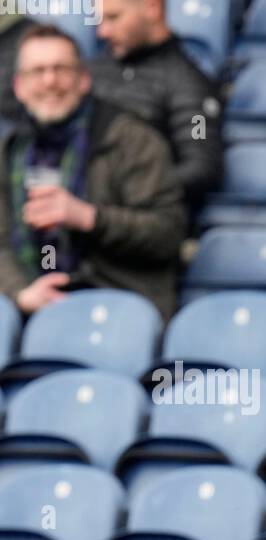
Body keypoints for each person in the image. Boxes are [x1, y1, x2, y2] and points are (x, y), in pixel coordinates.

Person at [0, 25, 185, 319]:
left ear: (83, 79)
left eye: (61, 69)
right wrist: (21, 293)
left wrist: (89, 218)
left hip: (118, 306)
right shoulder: (10, 150)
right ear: (19, 87)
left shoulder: (133, 140)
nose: (50, 81)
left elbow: (167, 234)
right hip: (30, 308)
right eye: (38, 71)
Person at [91, 0, 224, 214]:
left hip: (141, 224)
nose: (102, 32)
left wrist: (136, 192)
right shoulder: (91, 73)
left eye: (114, 18)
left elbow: (201, 167)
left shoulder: (188, 84)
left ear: (152, 8)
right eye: (99, 21)